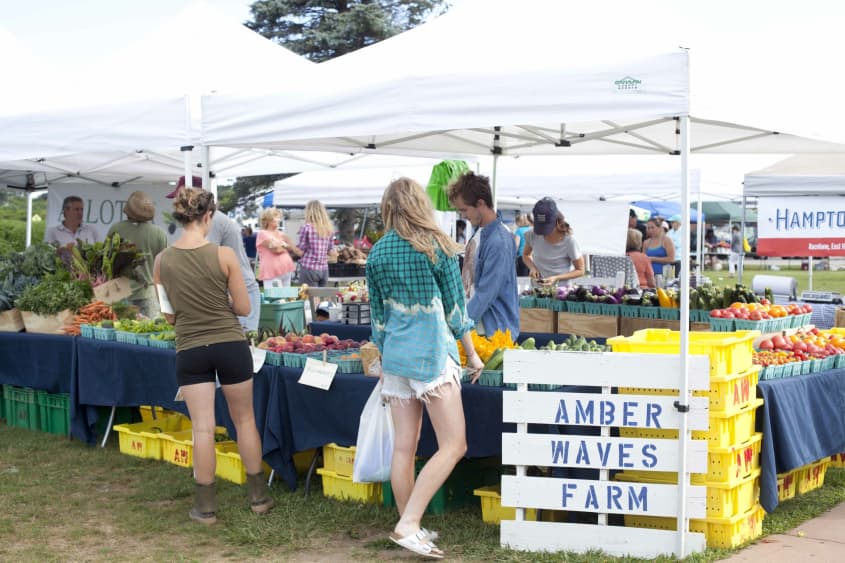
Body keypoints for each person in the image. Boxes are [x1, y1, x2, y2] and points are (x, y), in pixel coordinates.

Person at [366, 177, 483, 560]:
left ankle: (408, 526)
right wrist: (472, 355)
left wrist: (383, 357)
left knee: (404, 446)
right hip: (431, 355)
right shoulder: (437, 245)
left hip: (396, 357)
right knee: (454, 444)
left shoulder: (377, 253)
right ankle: (409, 524)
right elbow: (455, 310)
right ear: (421, 204)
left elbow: (378, 318)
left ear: (388, 207)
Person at [153, 187, 273, 525]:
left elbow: (169, 316)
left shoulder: (161, 261)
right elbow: (245, 308)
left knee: (203, 428)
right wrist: (222, 303)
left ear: (180, 216)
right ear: (208, 216)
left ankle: (205, 507)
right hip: (230, 345)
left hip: (190, 348)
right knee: (244, 420)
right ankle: (259, 497)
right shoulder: (224, 255)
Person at [167, 176, 261, 331]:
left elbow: (205, 261)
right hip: (230, 294)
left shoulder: (212, 220)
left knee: (244, 340)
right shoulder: (207, 220)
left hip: (239, 292)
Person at [447, 172, 520, 337]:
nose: (462, 215)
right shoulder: (480, 233)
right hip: (477, 329)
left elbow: (486, 294)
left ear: (480, 203)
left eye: (464, 209)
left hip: (491, 333)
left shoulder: (499, 241)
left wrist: (458, 326)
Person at [106, 191, 168, 318]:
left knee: (122, 328)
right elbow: (165, 267)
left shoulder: (116, 229)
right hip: (149, 293)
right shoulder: (159, 233)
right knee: (151, 328)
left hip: (121, 293)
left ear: (128, 211)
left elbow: (106, 260)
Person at [522, 197, 585, 285]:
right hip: (536, 289)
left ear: (557, 221)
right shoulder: (531, 235)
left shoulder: (569, 241)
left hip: (560, 290)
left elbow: (580, 270)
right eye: (540, 227)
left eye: (546, 228)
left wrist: (556, 278)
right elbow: (526, 255)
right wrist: (532, 268)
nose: (543, 232)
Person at [289, 200, 333, 287]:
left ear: (309, 212)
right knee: (321, 295)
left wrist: (290, 245)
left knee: (309, 295)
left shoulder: (306, 228)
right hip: (324, 269)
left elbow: (300, 252)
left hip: (309, 268)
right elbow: (330, 251)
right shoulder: (328, 228)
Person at [256, 208, 296, 287]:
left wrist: (282, 245)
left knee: (287, 294)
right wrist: (284, 246)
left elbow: (291, 247)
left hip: (286, 270)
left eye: (279, 217)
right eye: (276, 217)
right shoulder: (262, 233)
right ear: (268, 220)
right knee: (273, 294)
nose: (279, 220)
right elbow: (276, 250)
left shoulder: (280, 233)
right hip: (272, 271)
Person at [513, 212, 531, 277]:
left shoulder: (519, 231)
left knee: (522, 278)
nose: (516, 224)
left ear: (519, 222)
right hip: (532, 258)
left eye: (516, 222)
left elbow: (516, 245)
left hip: (522, 257)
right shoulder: (531, 229)